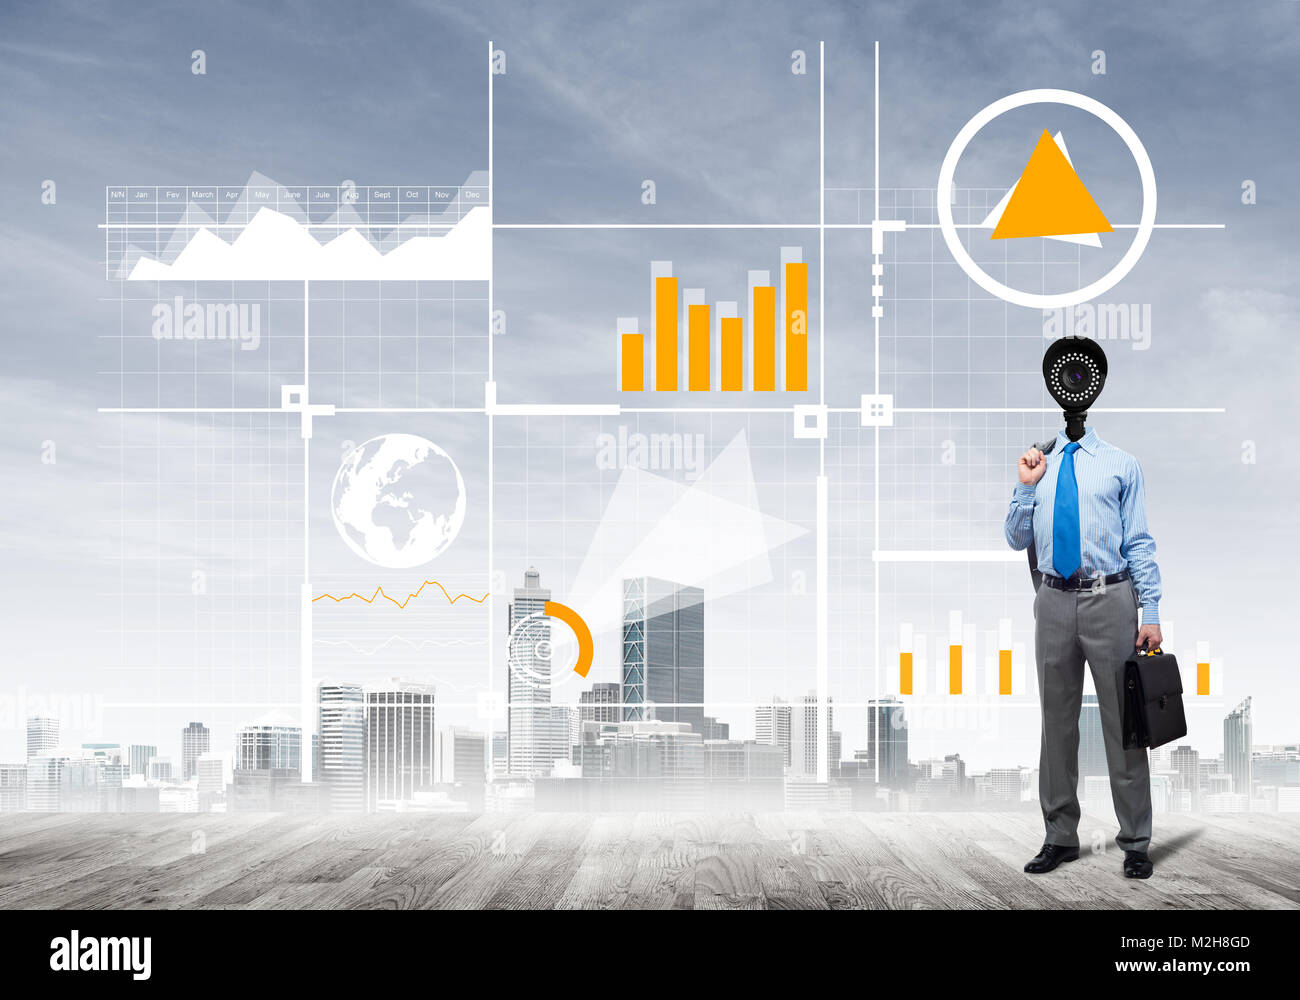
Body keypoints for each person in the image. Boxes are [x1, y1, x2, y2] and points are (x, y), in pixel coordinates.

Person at [1005, 425, 1162, 880]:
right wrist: (1024, 486)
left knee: (1124, 723)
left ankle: (1135, 842)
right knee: (1056, 724)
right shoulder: (1038, 464)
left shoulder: (1121, 464)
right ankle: (1059, 838)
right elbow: (1016, 539)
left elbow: (1137, 541)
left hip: (1111, 600)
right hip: (1053, 600)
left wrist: (1149, 610)